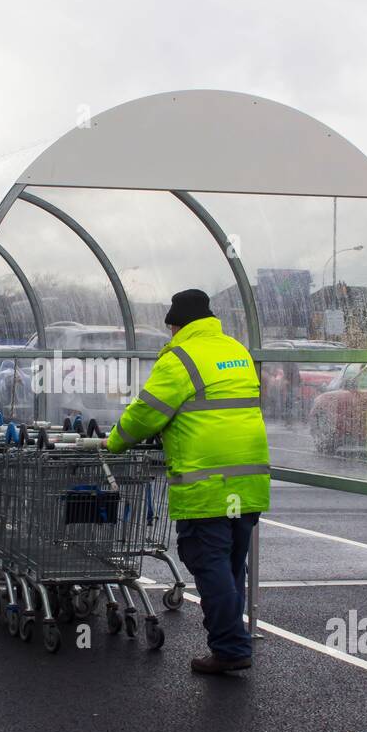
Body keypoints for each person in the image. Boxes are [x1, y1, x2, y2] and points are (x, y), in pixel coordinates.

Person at [106, 289, 270, 674]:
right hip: (248, 477)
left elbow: (148, 412)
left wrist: (113, 441)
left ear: (176, 325)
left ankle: (230, 648)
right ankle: (229, 640)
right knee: (231, 564)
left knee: (206, 559)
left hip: (206, 481)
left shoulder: (179, 358)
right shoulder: (236, 351)